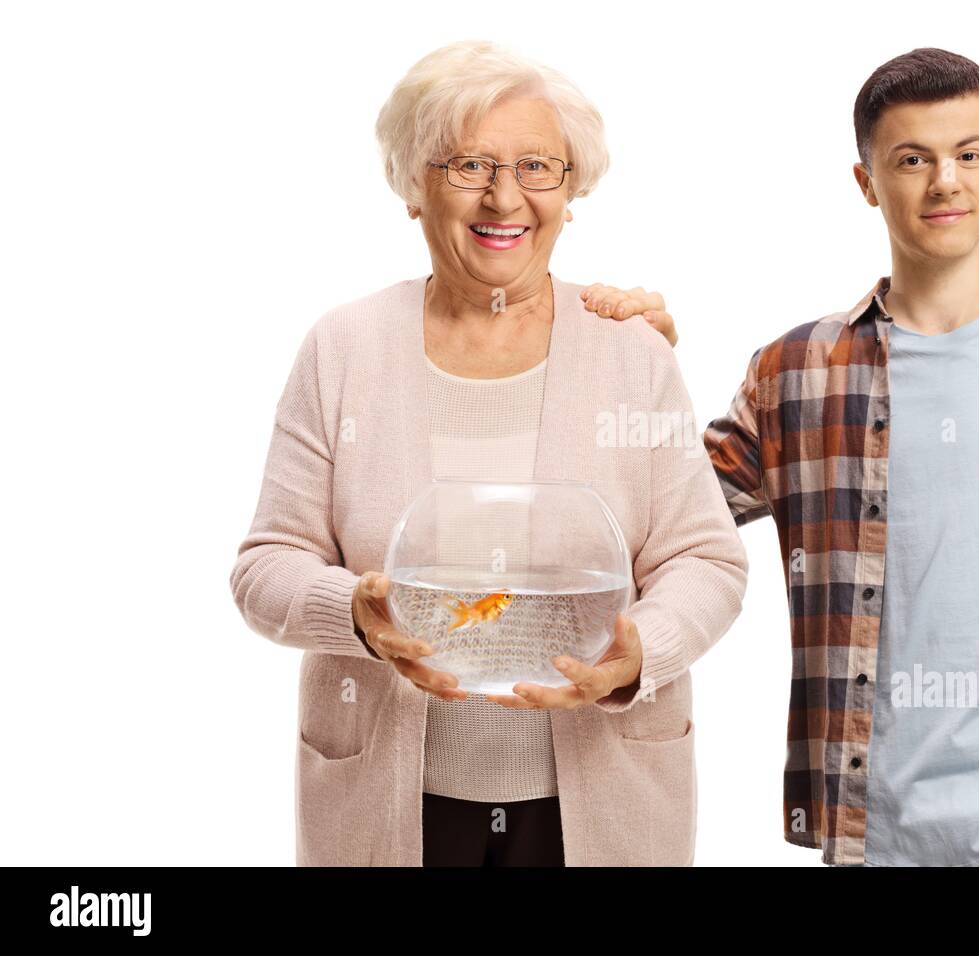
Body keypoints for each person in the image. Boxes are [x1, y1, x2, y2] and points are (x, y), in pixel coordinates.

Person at [585, 47, 979, 867]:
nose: (945, 182)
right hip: (873, 826)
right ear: (866, 182)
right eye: (912, 160)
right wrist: (630, 367)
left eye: (968, 155)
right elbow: (661, 513)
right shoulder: (796, 372)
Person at [228, 40, 747, 867]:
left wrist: (646, 647)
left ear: (571, 192)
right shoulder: (343, 348)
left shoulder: (631, 351)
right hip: (388, 808)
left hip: (601, 802)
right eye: (468, 165)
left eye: (538, 167)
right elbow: (265, 567)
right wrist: (351, 614)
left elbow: (706, 559)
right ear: (413, 187)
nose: (505, 197)